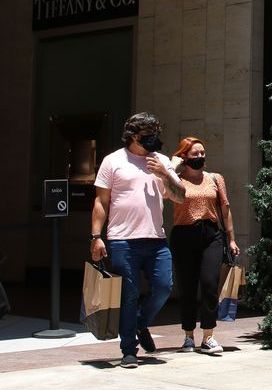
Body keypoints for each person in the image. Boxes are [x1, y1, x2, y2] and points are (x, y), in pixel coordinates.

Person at [90, 112, 187, 368]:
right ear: (134, 136)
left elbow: (180, 197)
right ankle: (128, 351)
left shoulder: (161, 161)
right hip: (123, 240)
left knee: (164, 286)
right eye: (148, 135)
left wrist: (165, 174)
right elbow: (101, 201)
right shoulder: (113, 161)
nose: (154, 139)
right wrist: (96, 237)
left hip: (155, 238)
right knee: (129, 296)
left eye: (156, 133)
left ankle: (141, 323)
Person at [168, 136, 239, 354]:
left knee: (209, 283)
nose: (200, 157)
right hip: (184, 234)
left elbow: (225, 209)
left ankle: (208, 335)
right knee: (187, 286)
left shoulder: (215, 178)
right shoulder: (176, 180)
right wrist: (173, 166)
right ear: (184, 157)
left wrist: (232, 238)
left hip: (211, 234)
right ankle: (188, 335)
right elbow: (165, 194)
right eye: (194, 154)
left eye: (202, 153)